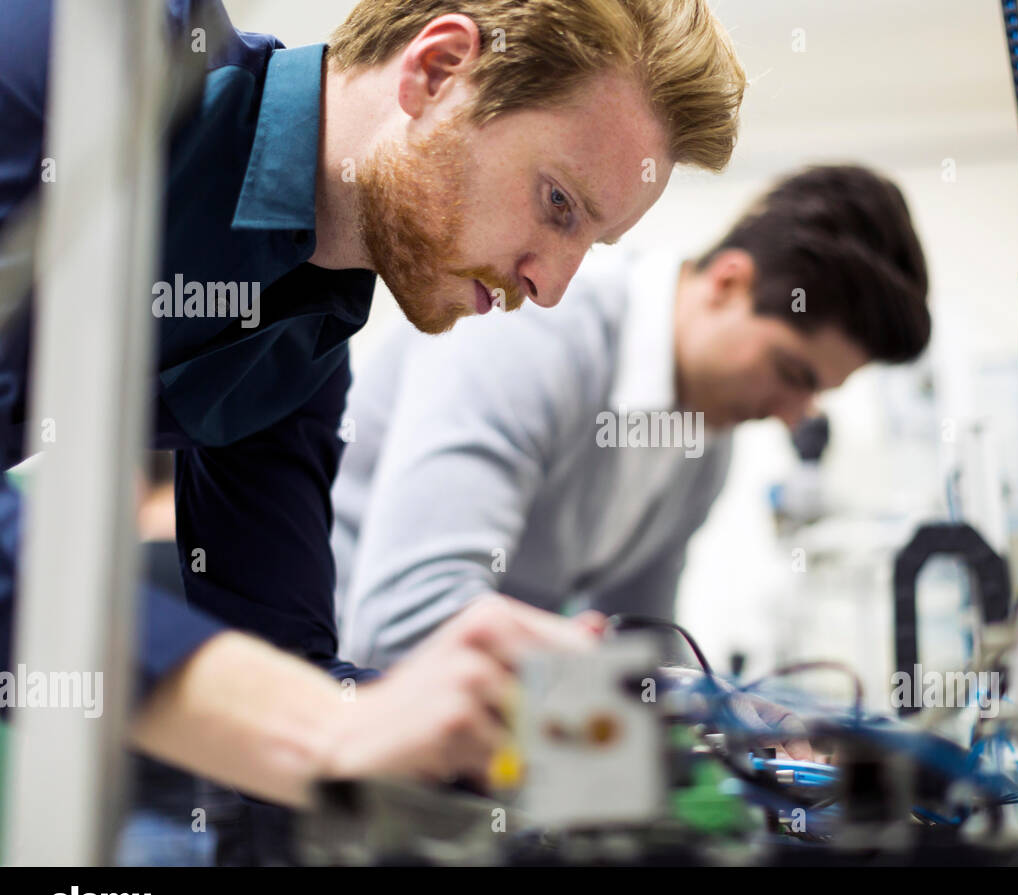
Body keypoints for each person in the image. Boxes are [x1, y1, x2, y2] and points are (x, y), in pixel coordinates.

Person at [0, 0, 744, 841]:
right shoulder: (77, 44)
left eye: (588, 245)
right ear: (436, 71)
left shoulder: (302, 345)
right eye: (558, 205)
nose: (551, 286)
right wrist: (319, 725)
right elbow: (303, 718)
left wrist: (472, 718)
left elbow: (289, 670)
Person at [332, 165, 931, 690]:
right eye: (792, 373)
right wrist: (678, 700)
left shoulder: (702, 444)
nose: (793, 415)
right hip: (321, 715)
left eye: (817, 394)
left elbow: (640, 642)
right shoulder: (534, 330)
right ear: (727, 284)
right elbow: (402, 625)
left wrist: (732, 716)